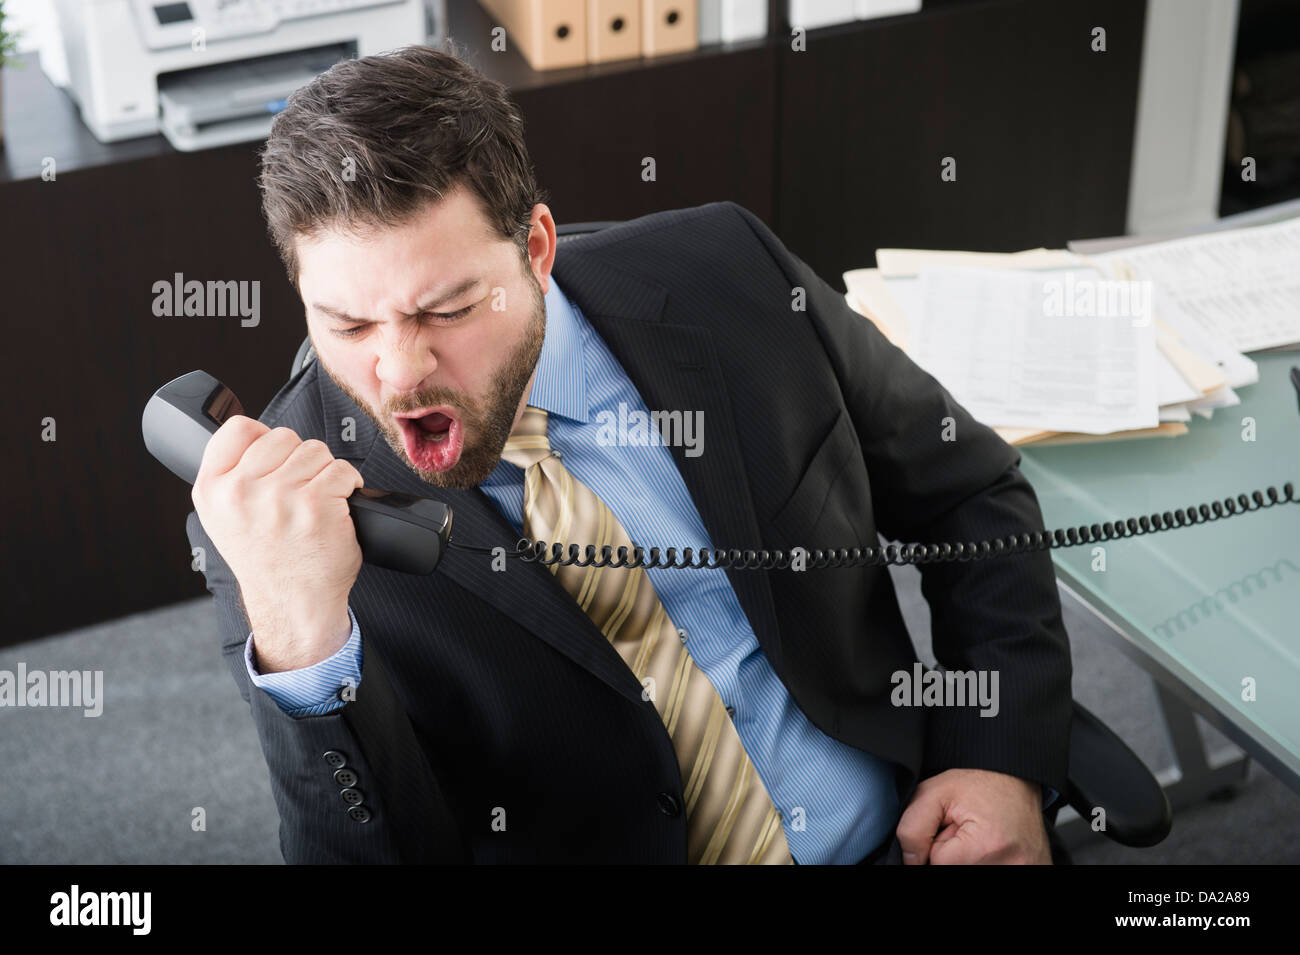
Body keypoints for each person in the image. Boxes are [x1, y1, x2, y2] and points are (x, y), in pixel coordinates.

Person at [186, 45, 1072, 865]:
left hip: (910, 836)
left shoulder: (728, 272)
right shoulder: (271, 531)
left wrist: (999, 760)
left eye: (447, 310)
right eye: (347, 324)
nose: (400, 370)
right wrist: (304, 641)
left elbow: (970, 491)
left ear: (535, 249)